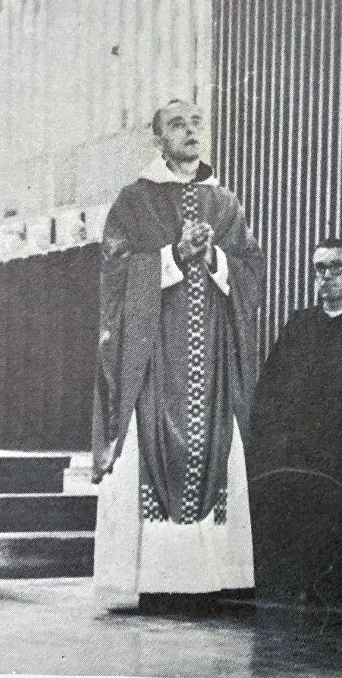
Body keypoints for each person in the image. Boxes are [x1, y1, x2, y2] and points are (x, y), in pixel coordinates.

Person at [91, 99, 265, 612]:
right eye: (176, 125)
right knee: (148, 451)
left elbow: (252, 269)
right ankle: (152, 582)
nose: (189, 132)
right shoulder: (133, 202)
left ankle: (209, 581)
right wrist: (170, 257)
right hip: (153, 360)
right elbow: (113, 271)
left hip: (212, 362)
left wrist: (212, 256)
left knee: (214, 446)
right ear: (157, 138)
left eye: (195, 123)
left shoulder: (224, 203)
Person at [247, 239, 342, 604]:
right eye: (321, 268)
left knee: (314, 491)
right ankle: (279, 584)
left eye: (337, 267)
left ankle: (320, 579)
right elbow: (270, 388)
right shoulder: (298, 325)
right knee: (267, 483)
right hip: (291, 442)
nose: (328, 276)